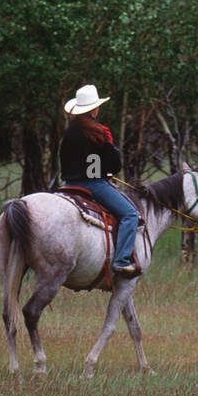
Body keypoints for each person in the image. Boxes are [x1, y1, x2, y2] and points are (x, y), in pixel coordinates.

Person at [59, 84, 140, 278]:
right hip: (93, 184)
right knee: (131, 214)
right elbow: (112, 163)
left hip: (69, 184)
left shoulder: (69, 132)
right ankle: (121, 261)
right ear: (94, 109)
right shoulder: (98, 132)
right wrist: (108, 174)